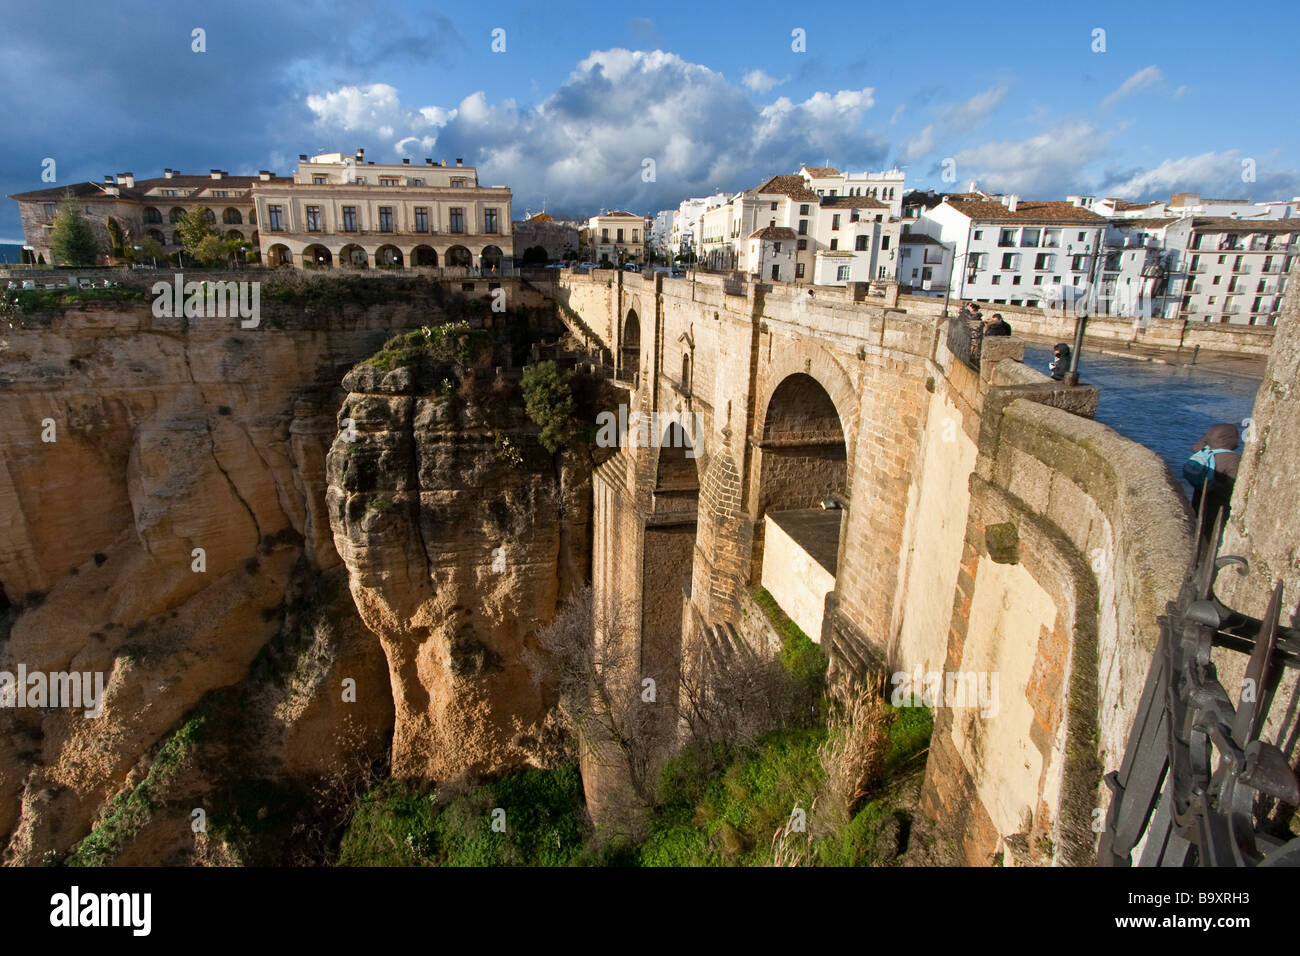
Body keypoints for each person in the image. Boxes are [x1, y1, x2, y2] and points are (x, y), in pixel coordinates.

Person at [1183, 423, 1241, 544]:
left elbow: (1195, 446)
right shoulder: (1232, 460)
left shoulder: (1205, 452)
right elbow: (1234, 484)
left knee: (1201, 533)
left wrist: (1209, 438)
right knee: (1213, 537)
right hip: (1218, 507)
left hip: (1200, 501)